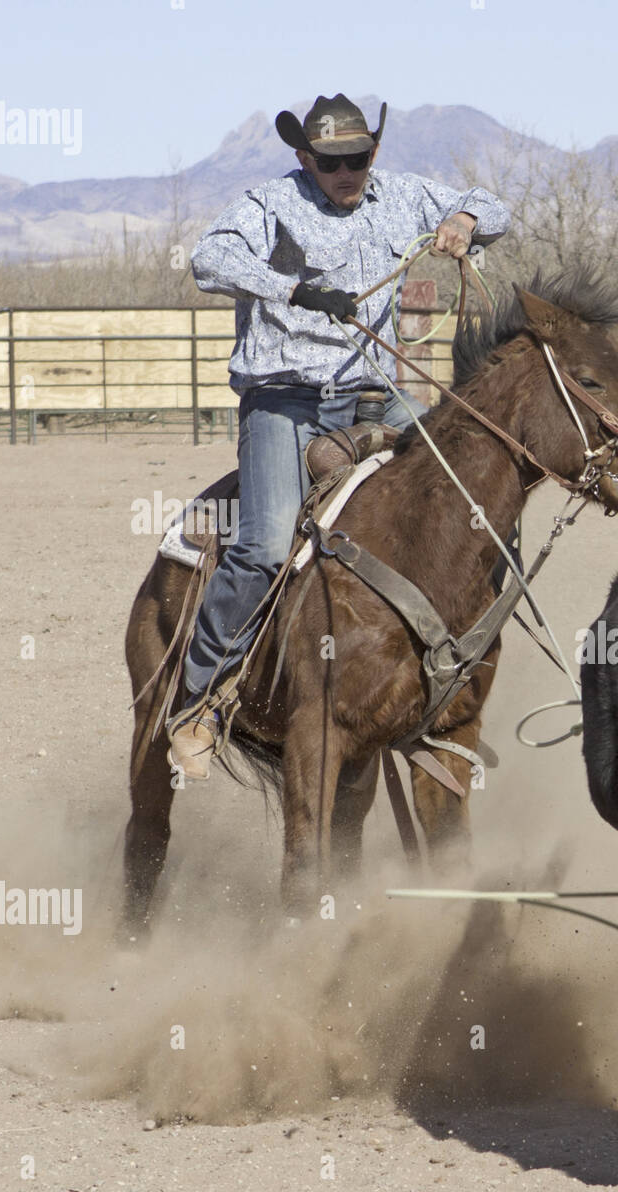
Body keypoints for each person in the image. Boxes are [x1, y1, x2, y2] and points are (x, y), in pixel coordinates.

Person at [168, 93, 510, 779]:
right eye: (331, 163)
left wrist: (465, 220)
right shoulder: (269, 204)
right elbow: (208, 259)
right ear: (305, 158)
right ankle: (199, 701)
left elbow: (495, 205)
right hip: (285, 400)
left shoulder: (403, 196)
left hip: (376, 396)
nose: (346, 172)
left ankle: (443, 682)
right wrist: (290, 290)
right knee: (264, 544)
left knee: (470, 464)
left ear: (373, 153)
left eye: (357, 158)